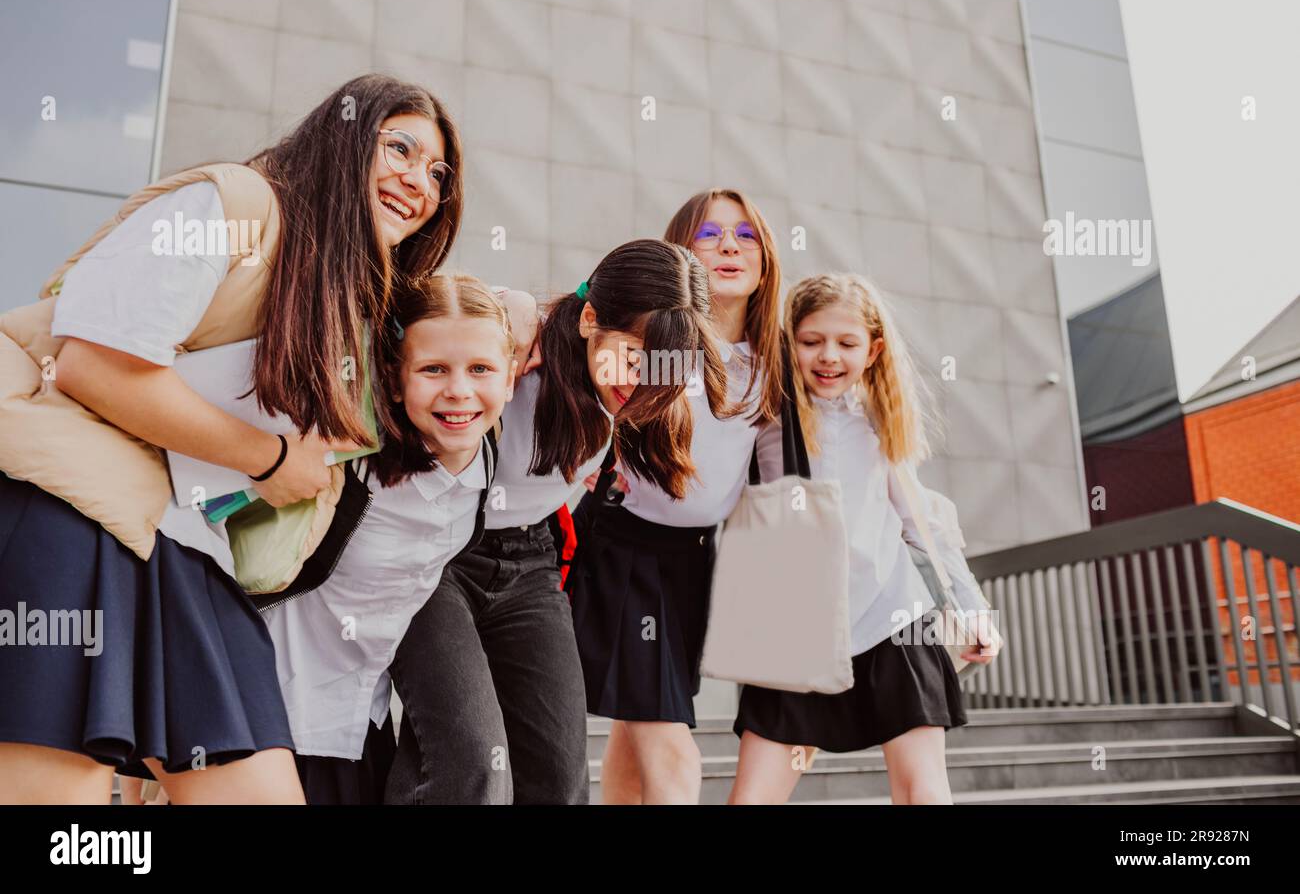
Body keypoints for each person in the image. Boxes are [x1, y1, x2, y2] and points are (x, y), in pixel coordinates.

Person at [0, 73, 463, 803]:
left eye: (437, 172)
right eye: (399, 147)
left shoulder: (337, 300)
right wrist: (270, 459)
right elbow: (94, 361)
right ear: (341, 140)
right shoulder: (234, 204)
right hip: (71, 510)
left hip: (182, 550)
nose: (421, 182)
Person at [385, 239, 729, 804]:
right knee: (471, 761)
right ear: (590, 316)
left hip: (530, 565)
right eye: (633, 357)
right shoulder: (521, 346)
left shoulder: (629, 402)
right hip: (436, 554)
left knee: (560, 775)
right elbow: (448, 320)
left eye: (664, 371)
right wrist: (511, 305)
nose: (642, 383)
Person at [729, 273, 1002, 805]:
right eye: (811, 341)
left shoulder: (882, 423)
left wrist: (973, 609)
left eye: (846, 343)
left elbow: (923, 525)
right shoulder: (764, 419)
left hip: (892, 621)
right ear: (790, 343)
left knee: (922, 790)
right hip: (796, 633)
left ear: (873, 349)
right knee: (752, 797)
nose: (828, 355)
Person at [263, 273, 515, 805]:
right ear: (395, 382)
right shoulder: (349, 461)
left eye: (480, 369)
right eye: (433, 370)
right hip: (278, 711)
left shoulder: (486, 469)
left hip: (362, 718)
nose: (459, 390)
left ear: (511, 378)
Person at [568, 190, 786, 804]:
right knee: (671, 748)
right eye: (708, 234)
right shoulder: (656, 342)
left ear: (766, 258)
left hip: (694, 559)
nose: (727, 246)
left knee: (635, 736)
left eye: (745, 236)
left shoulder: (773, 361)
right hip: (622, 548)